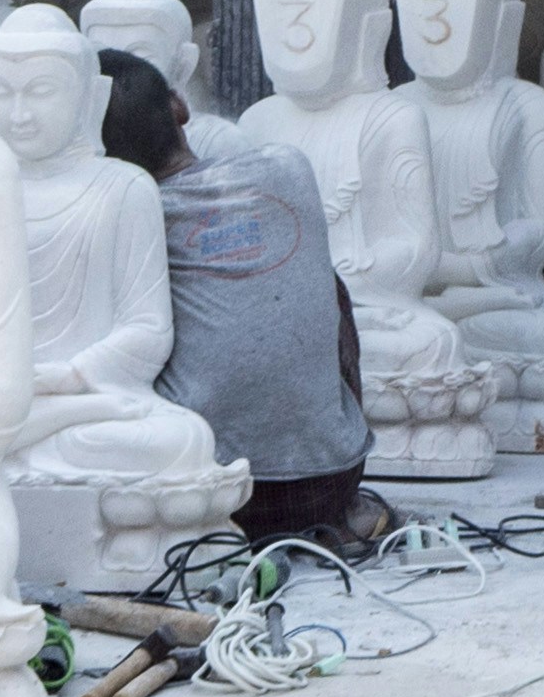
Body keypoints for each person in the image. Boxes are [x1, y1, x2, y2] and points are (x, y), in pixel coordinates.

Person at [101, 48, 388, 558]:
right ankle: (333, 493)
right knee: (333, 286)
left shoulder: (129, 217)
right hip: (332, 482)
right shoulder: (288, 167)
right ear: (179, 108)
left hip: (211, 495)